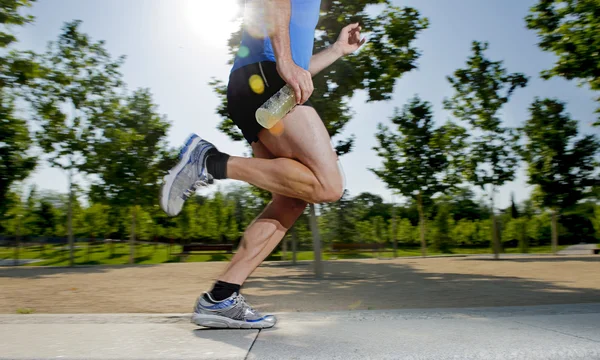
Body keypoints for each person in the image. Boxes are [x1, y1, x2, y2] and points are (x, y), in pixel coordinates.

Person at [160, 0, 365, 329]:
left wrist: (338, 50)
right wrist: (284, 61)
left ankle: (221, 297)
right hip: (265, 75)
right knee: (328, 185)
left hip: (261, 81)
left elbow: (298, 65)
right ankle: (209, 162)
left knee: (291, 200)